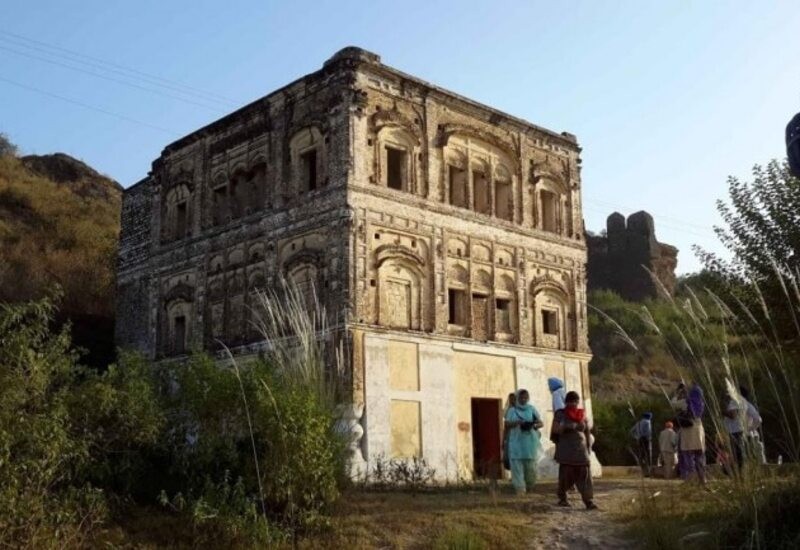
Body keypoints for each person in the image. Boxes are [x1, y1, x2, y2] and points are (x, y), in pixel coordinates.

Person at [552, 391, 597, 510]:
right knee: (566, 475)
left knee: (585, 474)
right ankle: (562, 498)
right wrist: (566, 427)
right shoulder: (560, 414)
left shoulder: (582, 414)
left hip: (581, 450)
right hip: (566, 450)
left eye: (575, 401)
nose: (573, 404)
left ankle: (588, 500)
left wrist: (589, 447)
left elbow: (587, 431)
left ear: (578, 402)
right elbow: (555, 430)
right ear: (566, 402)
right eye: (570, 401)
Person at [504, 389, 543, 494]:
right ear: (517, 398)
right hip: (516, 442)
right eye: (521, 397)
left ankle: (530, 486)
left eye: (525, 397)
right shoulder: (512, 411)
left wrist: (533, 425)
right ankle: (520, 489)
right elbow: (506, 424)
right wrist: (516, 423)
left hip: (529, 443)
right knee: (516, 466)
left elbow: (540, 423)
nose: (523, 399)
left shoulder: (531, 409)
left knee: (530, 467)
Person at [680, 384, 707, 485]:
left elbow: (673, 403)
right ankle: (702, 478)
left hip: (688, 430)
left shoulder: (685, 402)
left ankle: (691, 479)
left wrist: (679, 393)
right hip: (699, 429)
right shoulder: (701, 404)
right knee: (700, 456)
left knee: (688, 456)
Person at [739, 386, 766, 465]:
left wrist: (750, 428)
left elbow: (758, 419)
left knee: (752, 460)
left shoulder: (747, 405)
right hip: (743, 436)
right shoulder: (739, 405)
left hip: (749, 436)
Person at [722, 390, 745, 472]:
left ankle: (739, 471)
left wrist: (723, 411)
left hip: (735, 431)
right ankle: (736, 471)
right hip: (732, 431)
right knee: (734, 452)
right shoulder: (731, 403)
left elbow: (733, 415)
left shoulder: (733, 402)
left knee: (737, 453)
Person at [502, 392, 517, 471]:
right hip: (510, 436)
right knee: (511, 455)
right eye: (511, 400)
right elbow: (506, 426)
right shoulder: (509, 411)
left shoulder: (521, 411)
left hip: (518, 436)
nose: (512, 401)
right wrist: (503, 440)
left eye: (514, 399)